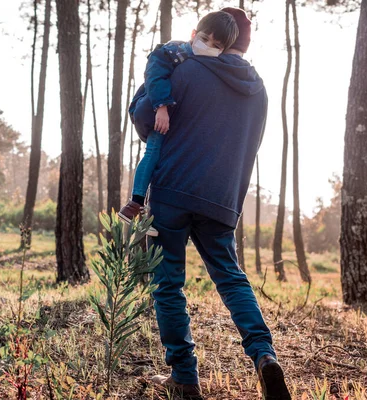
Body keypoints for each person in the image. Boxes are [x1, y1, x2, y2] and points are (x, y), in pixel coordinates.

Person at [130, 7, 292, 400]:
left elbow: (141, 113)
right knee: (231, 277)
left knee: (168, 285)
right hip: (222, 200)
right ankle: (264, 356)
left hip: (172, 190)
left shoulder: (186, 69)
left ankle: (185, 378)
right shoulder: (260, 91)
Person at [118, 10, 240, 235]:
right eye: (204, 39)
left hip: (175, 121)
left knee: (166, 162)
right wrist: (161, 107)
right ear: (193, 34)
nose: (207, 46)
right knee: (153, 152)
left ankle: (149, 214)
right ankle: (133, 205)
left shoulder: (209, 66)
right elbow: (155, 75)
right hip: (157, 111)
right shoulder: (173, 51)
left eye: (215, 45)